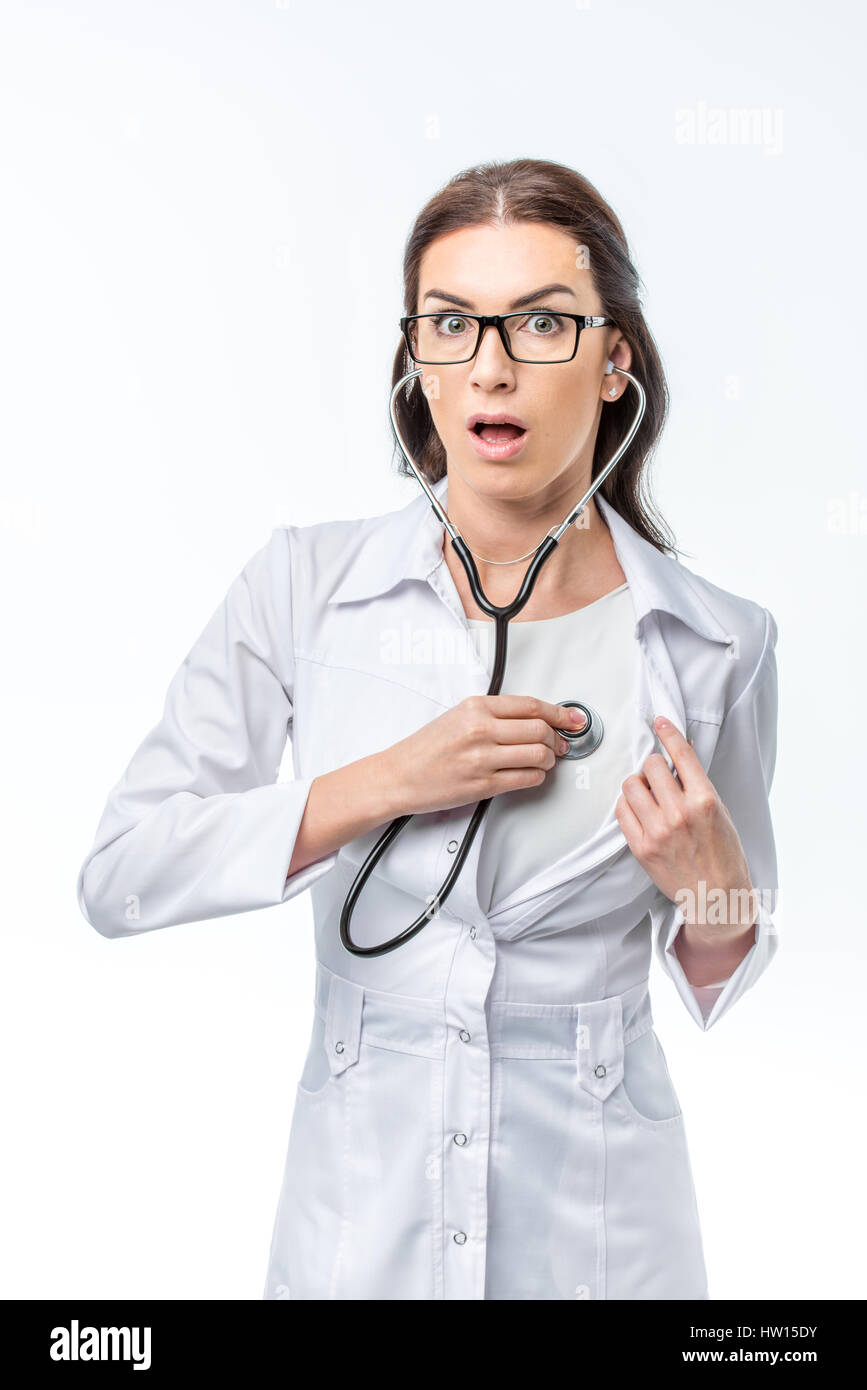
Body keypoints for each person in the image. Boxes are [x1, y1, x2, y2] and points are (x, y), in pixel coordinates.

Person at [76, 157, 780, 1301]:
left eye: (543, 323)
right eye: (451, 324)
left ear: (616, 364)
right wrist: (385, 780)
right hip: (362, 1234)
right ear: (416, 355)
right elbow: (120, 876)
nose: (490, 368)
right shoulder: (302, 588)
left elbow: (721, 973)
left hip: (602, 1241)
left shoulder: (718, 644)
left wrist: (715, 889)